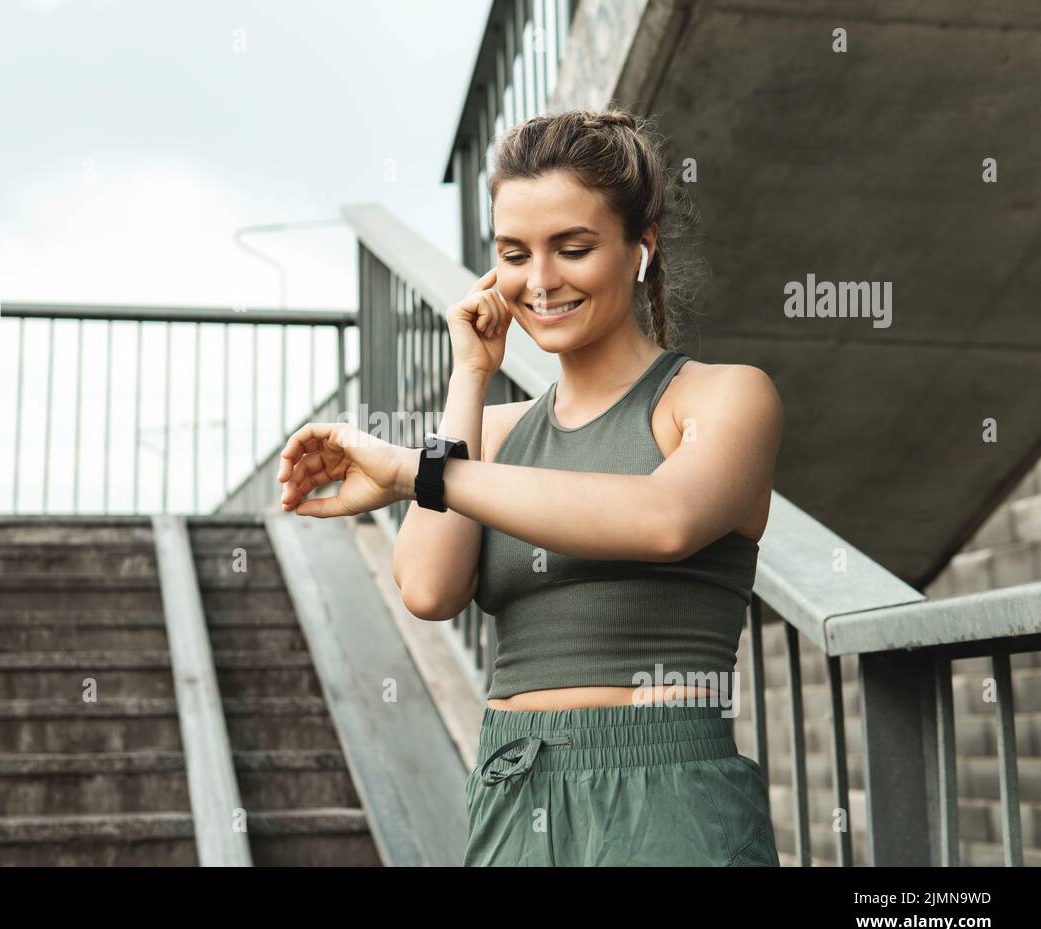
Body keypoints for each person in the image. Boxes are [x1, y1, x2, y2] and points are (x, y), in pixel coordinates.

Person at [276, 105, 783, 866]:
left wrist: (417, 472)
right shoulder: (493, 438)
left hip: (668, 792)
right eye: (514, 253)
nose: (539, 281)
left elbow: (664, 518)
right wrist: (469, 380)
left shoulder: (722, 397)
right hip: (513, 786)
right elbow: (426, 587)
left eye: (572, 248)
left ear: (639, 248)